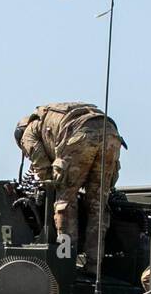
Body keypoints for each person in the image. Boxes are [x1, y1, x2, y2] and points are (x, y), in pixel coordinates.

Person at [14, 102, 125, 268]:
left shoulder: (29, 132)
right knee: (98, 204)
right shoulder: (53, 118)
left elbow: (44, 170)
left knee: (64, 202)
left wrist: (56, 182)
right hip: (111, 134)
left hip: (80, 135)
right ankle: (95, 266)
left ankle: (66, 261)